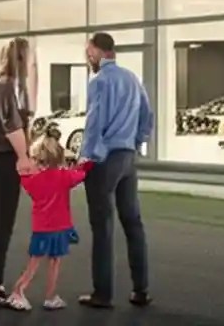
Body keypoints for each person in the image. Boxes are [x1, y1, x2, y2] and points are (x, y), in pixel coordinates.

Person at [77, 32, 154, 309]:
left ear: (99, 52)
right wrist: (137, 142)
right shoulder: (132, 78)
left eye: (89, 52)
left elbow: (94, 123)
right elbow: (147, 115)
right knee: (133, 222)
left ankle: (103, 293)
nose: (88, 57)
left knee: (103, 227)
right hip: (127, 158)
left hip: (105, 160)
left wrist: (86, 158)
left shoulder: (99, 81)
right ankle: (140, 289)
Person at [0, 37, 39, 307]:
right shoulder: (3, 87)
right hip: (1, 159)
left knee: (2, 225)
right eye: (31, 58)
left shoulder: (1, 85)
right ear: (22, 59)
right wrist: (25, 157)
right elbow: (11, 126)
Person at [2, 129, 94, 312]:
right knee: (54, 262)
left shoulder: (33, 181)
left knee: (34, 263)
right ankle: (47, 296)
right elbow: (82, 172)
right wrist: (88, 162)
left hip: (42, 229)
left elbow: (24, 177)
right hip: (60, 228)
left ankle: (21, 291)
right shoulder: (64, 176)